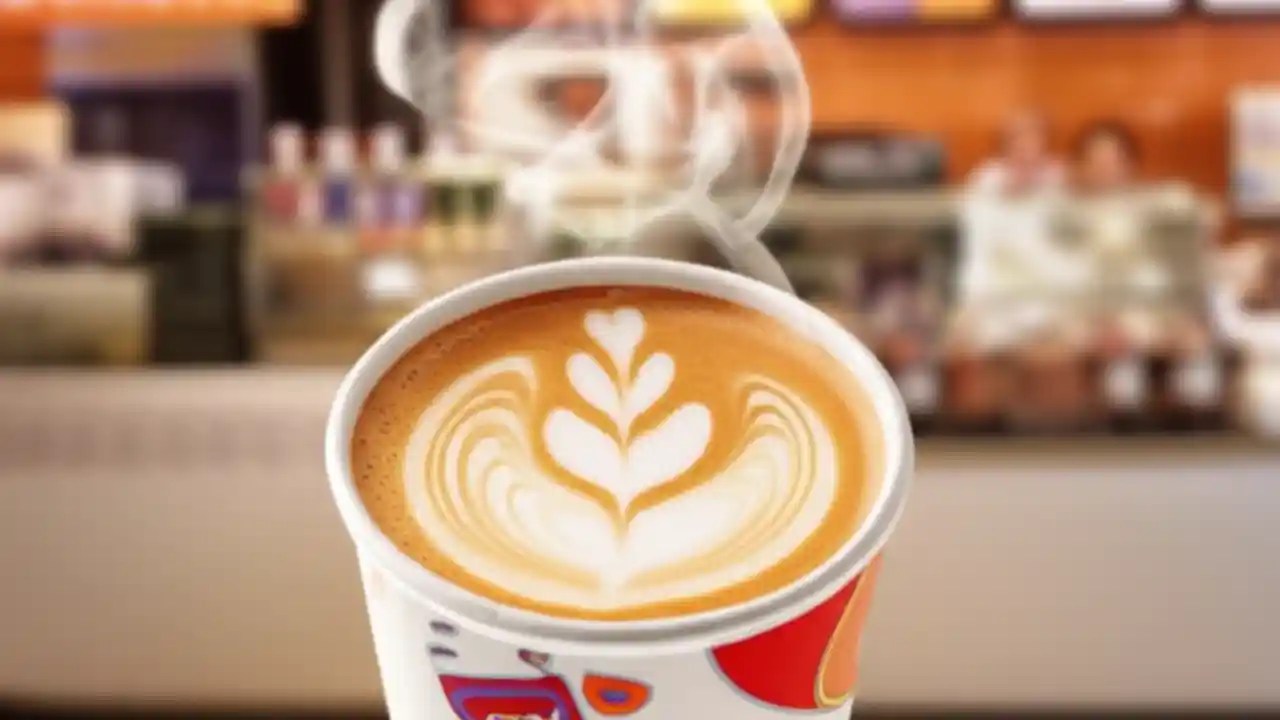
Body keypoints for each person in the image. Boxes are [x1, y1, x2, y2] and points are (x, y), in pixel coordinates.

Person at [968, 109, 1065, 197]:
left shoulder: (1057, 173)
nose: (1025, 142)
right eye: (1017, 136)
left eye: (1034, 134)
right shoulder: (988, 174)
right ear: (1004, 142)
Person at [1071, 120, 1141, 196]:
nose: (1102, 173)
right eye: (1096, 164)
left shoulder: (1146, 202)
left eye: (1110, 164)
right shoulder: (1064, 199)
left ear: (1130, 166)